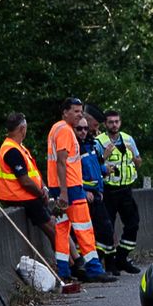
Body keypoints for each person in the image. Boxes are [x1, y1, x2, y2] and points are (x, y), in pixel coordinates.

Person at [47, 97, 114, 283]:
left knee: (62, 229)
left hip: (59, 187)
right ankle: (94, 269)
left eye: (80, 111)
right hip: (70, 188)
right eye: (75, 111)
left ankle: (64, 270)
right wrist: (64, 192)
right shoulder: (66, 132)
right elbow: (61, 162)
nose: (79, 115)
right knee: (84, 229)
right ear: (65, 112)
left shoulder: (56, 128)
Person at [0, 112, 55, 244]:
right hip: (22, 197)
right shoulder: (11, 150)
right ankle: (69, 262)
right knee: (53, 230)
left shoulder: (19, 147)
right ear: (22, 129)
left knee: (54, 227)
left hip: (27, 195)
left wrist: (43, 187)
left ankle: (69, 260)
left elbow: (34, 173)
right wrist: (41, 194)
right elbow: (25, 181)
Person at [95, 109, 142, 274]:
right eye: (110, 122)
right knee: (108, 227)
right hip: (108, 190)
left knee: (133, 223)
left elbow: (138, 161)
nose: (114, 125)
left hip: (126, 189)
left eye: (116, 122)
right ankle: (110, 264)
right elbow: (93, 166)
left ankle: (121, 258)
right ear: (105, 124)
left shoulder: (128, 139)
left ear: (120, 122)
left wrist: (134, 158)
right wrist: (104, 157)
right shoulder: (99, 142)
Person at [76, 119, 117, 275]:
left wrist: (105, 171)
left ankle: (100, 263)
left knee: (105, 230)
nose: (83, 132)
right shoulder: (76, 148)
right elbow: (73, 174)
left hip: (96, 194)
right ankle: (89, 266)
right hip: (85, 195)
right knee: (92, 231)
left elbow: (95, 168)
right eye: (79, 129)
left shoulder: (91, 145)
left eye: (86, 128)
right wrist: (84, 190)